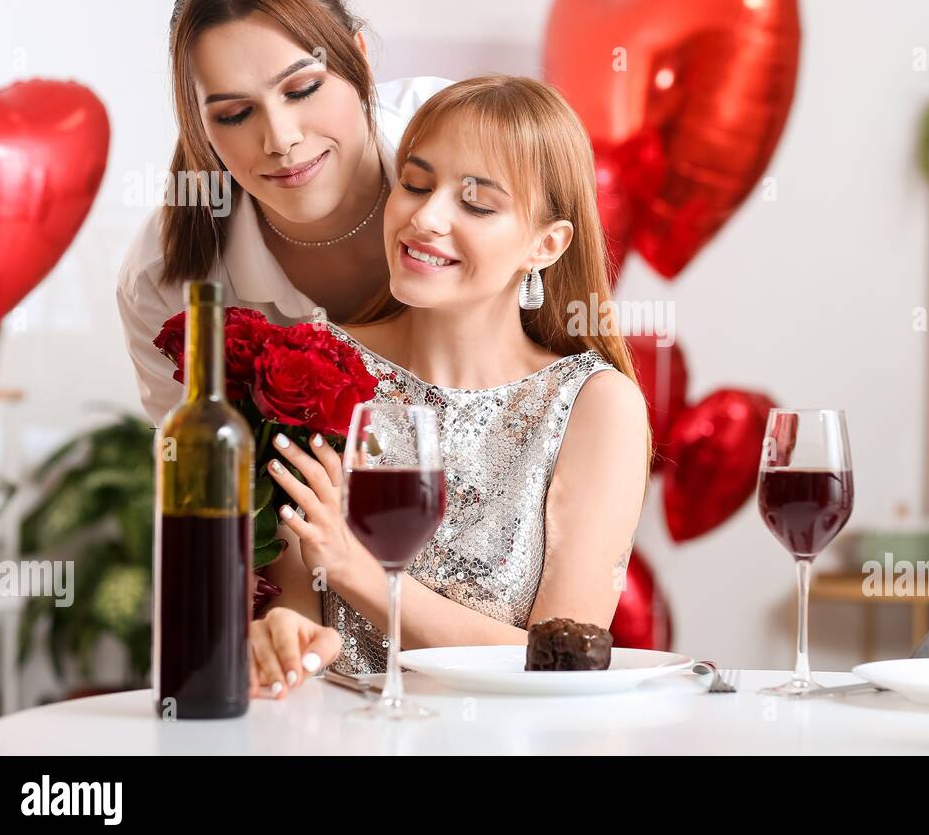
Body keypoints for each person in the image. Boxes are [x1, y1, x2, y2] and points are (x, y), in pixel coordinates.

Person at [248, 76, 651, 697]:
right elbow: (298, 608)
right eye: (414, 184)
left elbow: (566, 663)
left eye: (477, 204)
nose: (426, 217)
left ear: (547, 245)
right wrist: (288, 641)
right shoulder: (317, 370)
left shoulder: (596, 407)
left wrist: (360, 573)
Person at [116, 0, 450, 424]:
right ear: (198, 122)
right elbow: (201, 482)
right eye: (235, 114)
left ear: (358, 57)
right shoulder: (163, 275)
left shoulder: (464, 141)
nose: (280, 139)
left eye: (302, 89)